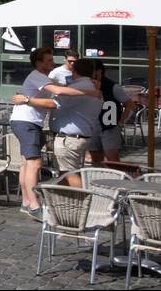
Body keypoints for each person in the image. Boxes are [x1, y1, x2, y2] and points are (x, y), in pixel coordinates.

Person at [8, 47, 100, 218]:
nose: (53, 63)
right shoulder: (37, 76)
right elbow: (59, 92)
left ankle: (26, 202)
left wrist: (93, 84)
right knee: (34, 163)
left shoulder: (44, 78)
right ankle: (34, 205)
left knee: (27, 164)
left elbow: (63, 87)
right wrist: (89, 91)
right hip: (26, 121)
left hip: (29, 122)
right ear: (38, 62)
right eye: (49, 60)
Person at [90, 60, 136, 164]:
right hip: (93, 125)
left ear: (99, 71)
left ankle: (116, 178)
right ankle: (98, 177)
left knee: (112, 158)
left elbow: (130, 105)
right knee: (95, 158)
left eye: (91, 71)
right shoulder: (88, 85)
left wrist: (120, 122)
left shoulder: (113, 87)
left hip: (109, 127)